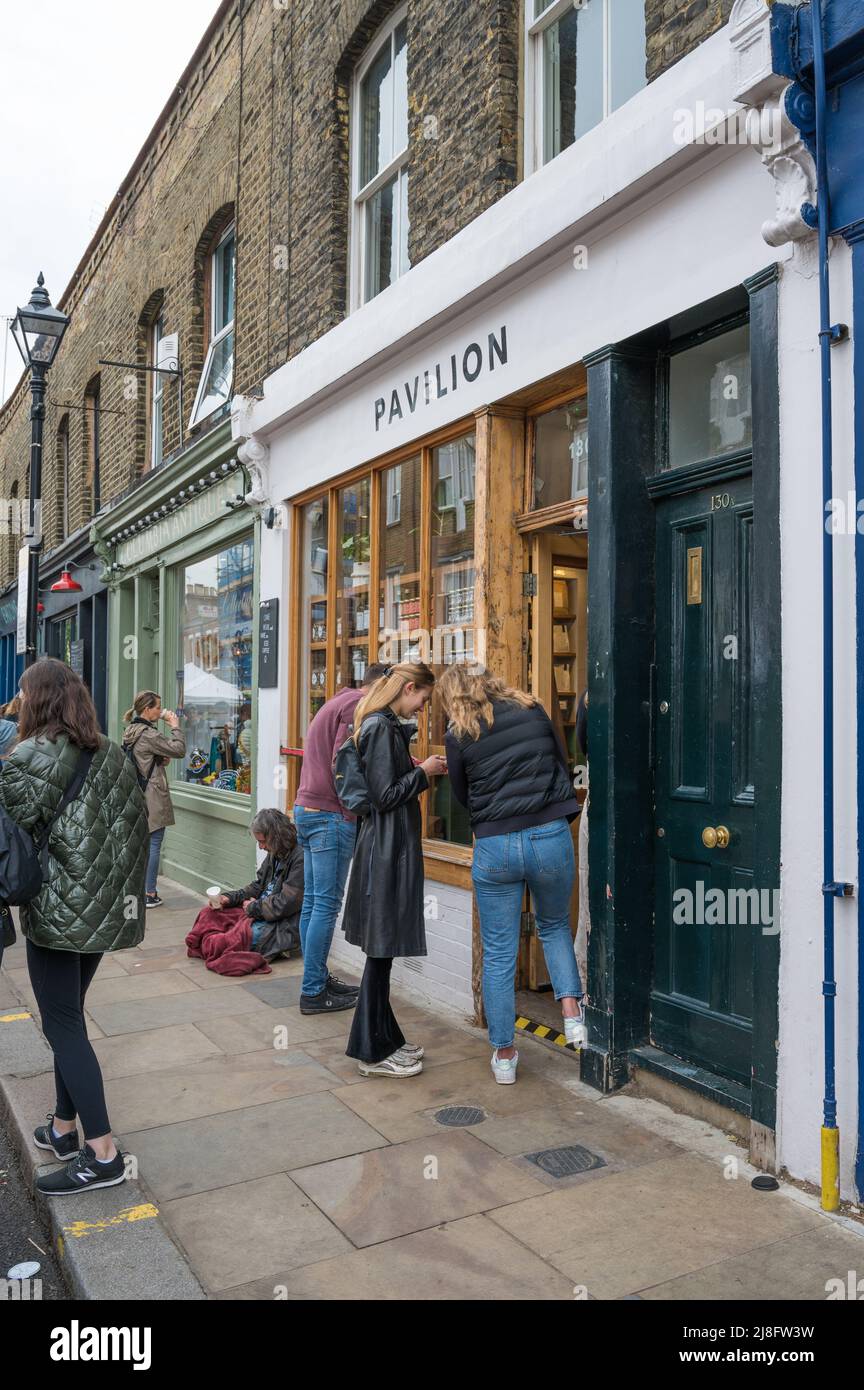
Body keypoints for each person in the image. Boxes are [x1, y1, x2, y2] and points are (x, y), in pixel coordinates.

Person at [0, 657, 148, 1194]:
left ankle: (103, 1153)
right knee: (70, 1019)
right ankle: (64, 1129)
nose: (16, 701)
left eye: (22, 693)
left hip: (60, 914)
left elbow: (13, 834)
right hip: (105, 911)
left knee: (62, 1025)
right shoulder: (112, 751)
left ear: (37, 699)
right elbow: (137, 829)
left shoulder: (27, 757)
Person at [439, 663, 586, 1086]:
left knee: (500, 953)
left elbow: (463, 795)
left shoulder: (458, 733)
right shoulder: (534, 709)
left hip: (496, 845)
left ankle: (504, 1055)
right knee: (555, 925)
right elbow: (563, 762)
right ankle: (572, 1016)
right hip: (549, 835)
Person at [343, 661, 446, 1077]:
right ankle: (371, 1051)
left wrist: (411, 767)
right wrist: (423, 773)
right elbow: (385, 796)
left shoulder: (378, 725)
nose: (422, 707)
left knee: (380, 952)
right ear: (407, 688)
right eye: (422, 698)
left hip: (384, 847)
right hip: (386, 850)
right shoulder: (382, 727)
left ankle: (387, 1041)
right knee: (380, 951)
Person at [293, 662, 391, 1014]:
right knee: (325, 906)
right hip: (330, 816)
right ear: (381, 684)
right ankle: (314, 991)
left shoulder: (339, 701)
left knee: (312, 904)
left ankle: (315, 977)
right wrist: (355, 809)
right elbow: (343, 761)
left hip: (308, 810)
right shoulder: (355, 707)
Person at [188, 808, 304, 969]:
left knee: (224, 941)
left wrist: (253, 907)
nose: (261, 847)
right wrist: (229, 898)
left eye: (263, 842)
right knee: (207, 914)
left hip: (280, 924)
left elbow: (287, 902)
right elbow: (258, 886)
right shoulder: (275, 851)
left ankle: (219, 943)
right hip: (258, 910)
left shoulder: (300, 858)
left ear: (276, 837)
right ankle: (219, 941)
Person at [121, 691, 186, 908]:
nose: (160, 710)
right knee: (154, 843)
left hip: (136, 793)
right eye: (158, 707)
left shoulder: (132, 730)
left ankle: (138, 890)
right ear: (147, 709)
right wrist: (175, 725)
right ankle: (149, 893)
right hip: (152, 795)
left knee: (141, 844)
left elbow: (142, 758)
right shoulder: (149, 734)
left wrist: (158, 760)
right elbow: (179, 749)